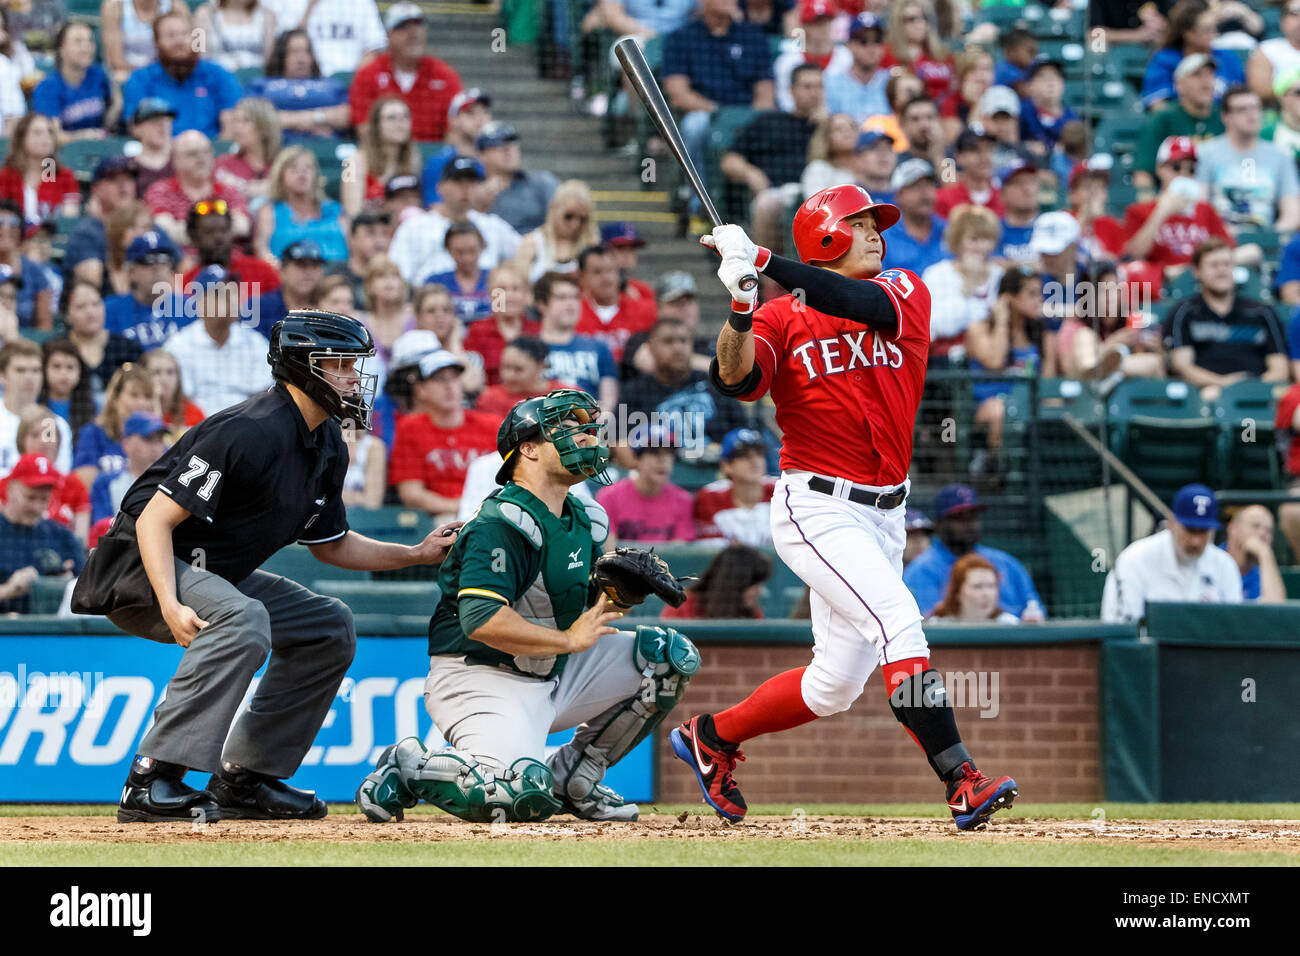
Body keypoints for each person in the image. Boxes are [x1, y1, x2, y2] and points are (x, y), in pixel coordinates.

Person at [669, 188, 1019, 829]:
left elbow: (852, 301)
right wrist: (744, 304)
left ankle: (712, 737)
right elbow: (734, 379)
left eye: (874, 224)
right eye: (858, 224)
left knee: (833, 687)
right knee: (899, 622)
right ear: (826, 235)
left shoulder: (906, 290)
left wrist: (765, 257)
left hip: (885, 514)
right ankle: (961, 781)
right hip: (816, 506)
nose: (875, 233)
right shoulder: (781, 317)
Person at [71, 310, 459, 823]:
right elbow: (152, 521)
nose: (352, 376)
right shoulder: (248, 430)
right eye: (338, 364)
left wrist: (416, 554)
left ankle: (244, 779)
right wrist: (169, 602)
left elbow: (332, 544)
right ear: (301, 368)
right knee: (243, 619)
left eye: (354, 364)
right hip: (137, 569)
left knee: (328, 625)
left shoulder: (325, 444)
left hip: (212, 574)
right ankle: (151, 778)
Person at [358, 389, 696, 823]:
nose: (587, 437)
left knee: (667, 658)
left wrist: (617, 599)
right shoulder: (500, 520)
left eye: (586, 427)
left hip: (554, 668)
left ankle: (577, 777)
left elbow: (577, 616)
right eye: (569, 429)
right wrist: (568, 639)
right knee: (518, 798)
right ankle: (408, 766)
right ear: (529, 449)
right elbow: (480, 620)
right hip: (479, 676)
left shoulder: (587, 519)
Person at [661, 0, 775, 224]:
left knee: (771, 124)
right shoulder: (680, 38)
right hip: (707, 114)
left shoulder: (752, 36)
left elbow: (765, 97)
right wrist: (722, 115)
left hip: (747, 117)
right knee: (695, 125)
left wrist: (746, 119)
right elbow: (679, 95)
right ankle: (699, 202)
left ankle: (755, 209)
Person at [721, 62, 825, 255]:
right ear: (792, 91)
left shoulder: (830, 127)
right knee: (766, 204)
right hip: (778, 194)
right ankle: (770, 283)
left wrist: (825, 127)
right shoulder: (769, 121)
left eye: (819, 86)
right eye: (807, 86)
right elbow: (729, 161)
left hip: (820, 196)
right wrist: (751, 173)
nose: (814, 93)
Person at [1101, 483, 1242, 623]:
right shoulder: (1135, 559)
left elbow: (1233, 626)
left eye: (1203, 531)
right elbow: (1120, 626)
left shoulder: (1224, 564)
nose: (1196, 541)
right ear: (1171, 523)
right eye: (1190, 530)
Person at [1168, 238, 1289, 397]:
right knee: (1210, 395)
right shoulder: (1184, 312)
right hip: (1207, 391)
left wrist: (1249, 388)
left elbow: (1280, 369)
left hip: (1259, 390)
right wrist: (1224, 384)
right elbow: (1182, 366)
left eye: (1227, 264)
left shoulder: (1263, 312)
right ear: (1197, 271)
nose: (1221, 270)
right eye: (1213, 265)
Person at [903, 484, 1044, 620]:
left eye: (973, 517)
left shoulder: (1007, 563)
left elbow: (1035, 609)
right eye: (960, 518)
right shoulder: (920, 569)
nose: (969, 524)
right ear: (940, 523)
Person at [388, 349, 499, 519]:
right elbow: (411, 494)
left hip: (492, 512)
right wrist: (465, 506)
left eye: (454, 378)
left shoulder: (492, 425)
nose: (449, 386)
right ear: (421, 389)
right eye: (439, 379)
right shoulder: (411, 427)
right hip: (440, 516)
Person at [619, 316, 751, 460]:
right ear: (651, 347)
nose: (678, 347)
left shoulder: (715, 384)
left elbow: (742, 433)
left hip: (717, 472)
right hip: (664, 475)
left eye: (683, 340)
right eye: (668, 341)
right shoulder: (635, 392)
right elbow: (620, 443)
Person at [1122, 136, 1242, 289]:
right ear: (1160, 168)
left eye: (1191, 169)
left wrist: (1191, 270)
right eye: (1176, 167)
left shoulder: (1205, 210)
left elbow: (1227, 252)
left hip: (1202, 285)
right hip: (1161, 288)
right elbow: (1133, 255)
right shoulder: (1138, 210)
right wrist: (1162, 211)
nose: (1184, 174)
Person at [965, 267, 1054, 469]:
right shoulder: (979, 329)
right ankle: (997, 470)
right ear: (1010, 297)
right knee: (1001, 410)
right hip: (988, 408)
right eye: (1031, 294)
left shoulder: (1041, 333)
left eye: (1040, 293)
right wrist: (1003, 320)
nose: (1038, 300)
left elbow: (1049, 382)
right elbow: (995, 361)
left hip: (1030, 404)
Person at [388, 157, 521, 287]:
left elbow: (526, 254)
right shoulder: (415, 227)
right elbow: (398, 276)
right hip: (433, 302)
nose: (466, 189)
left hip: (486, 303)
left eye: (471, 182)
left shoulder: (492, 225)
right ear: (440, 187)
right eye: (458, 182)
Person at [163, 265, 274, 414]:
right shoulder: (179, 345)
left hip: (245, 425)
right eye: (219, 293)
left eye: (232, 292)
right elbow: (178, 403)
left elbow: (265, 396)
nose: (229, 299)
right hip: (197, 429)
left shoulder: (254, 343)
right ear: (200, 303)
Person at [122, 8, 243, 142]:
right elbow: (137, 127)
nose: (179, 41)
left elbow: (232, 126)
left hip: (210, 154)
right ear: (156, 43)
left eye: (185, 34)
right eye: (171, 35)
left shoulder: (218, 74)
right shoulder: (140, 79)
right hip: (161, 155)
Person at [348, 2, 462, 143]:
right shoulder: (369, 74)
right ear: (388, 35)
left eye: (418, 24)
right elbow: (364, 129)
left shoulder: (445, 75)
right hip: (384, 156)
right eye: (403, 26)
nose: (414, 33)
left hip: (432, 157)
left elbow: (455, 131)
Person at [1195, 86, 1300, 234]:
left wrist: (1269, 237)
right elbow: (1199, 206)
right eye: (1242, 109)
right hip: (1218, 242)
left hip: (1267, 244)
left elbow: (1293, 215)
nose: (1252, 115)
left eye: (1256, 108)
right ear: (1225, 116)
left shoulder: (1281, 156)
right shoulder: (1205, 152)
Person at [0, 453, 84, 612]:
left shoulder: (63, 537)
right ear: (10, 489)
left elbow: (89, 595)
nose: (38, 507)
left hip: (51, 632)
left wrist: (66, 587)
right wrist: (8, 589)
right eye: (30, 498)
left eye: (44, 499)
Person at [922, 203, 1003, 364]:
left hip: (992, 352)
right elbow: (940, 326)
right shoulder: (937, 274)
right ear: (957, 240)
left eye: (987, 239)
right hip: (945, 362)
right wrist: (970, 286)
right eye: (974, 239)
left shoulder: (999, 275)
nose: (981, 247)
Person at [1056, 261, 1164, 381]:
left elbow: (1154, 364)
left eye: (1115, 288)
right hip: (1085, 386)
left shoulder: (1131, 321)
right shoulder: (1074, 325)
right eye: (1103, 290)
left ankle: (1107, 373)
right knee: (1085, 336)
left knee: (1153, 361)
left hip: (1123, 386)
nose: (1110, 295)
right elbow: (1070, 371)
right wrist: (1112, 342)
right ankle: (1104, 373)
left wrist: (1150, 347)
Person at [1134, 53, 1225, 195]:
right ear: (1179, 84)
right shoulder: (1161, 119)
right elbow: (1143, 173)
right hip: (1173, 200)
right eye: (1197, 76)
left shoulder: (1225, 117)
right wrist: (1148, 206)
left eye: (1210, 75)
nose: (1206, 83)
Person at [146, 132, 251, 249]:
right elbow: (165, 230)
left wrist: (190, 230)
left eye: (206, 152)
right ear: (175, 160)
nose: (201, 159)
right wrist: (219, 230)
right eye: (192, 154)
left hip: (227, 259)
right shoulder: (161, 190)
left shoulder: (229, 190)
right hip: (181, 262)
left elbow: (242, 226)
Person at [1, 405, 91, 541]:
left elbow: (81, 541)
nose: (44, 441)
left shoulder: (74, 485)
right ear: (21, 441)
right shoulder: (5, 485)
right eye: (35, 435)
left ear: (59, 442)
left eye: (49, 434)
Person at [244, 29, 350, 143]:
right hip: (276, 145)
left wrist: (301, 119)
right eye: (294, 52)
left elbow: (347, 115)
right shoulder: (261, 84)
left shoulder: (331, 85)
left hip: (325, 145)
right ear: (282, 56)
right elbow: (253, 117)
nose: (301, 59)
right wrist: (315, 121)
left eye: (307, 52)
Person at [536, 271, 617, 412]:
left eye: (575, 297)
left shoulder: (599, 348)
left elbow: (608, 403)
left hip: (588, 425)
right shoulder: (528, 348)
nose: (570, 303)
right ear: (542, 304)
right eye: (562, 298)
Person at [1143, 0, 1246, 110]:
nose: (1213, 34)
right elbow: (1157, 104)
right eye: (1206, 30)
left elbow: (1242, 98)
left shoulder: (1227, 57)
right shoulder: (1165, 59)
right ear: (1188, 33)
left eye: (1214, 28)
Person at [32, 20, 119, 146]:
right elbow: (52, 136)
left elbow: (113, 114)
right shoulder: (47, 87)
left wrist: (116, 101)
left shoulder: (99, 75)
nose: (86, 48)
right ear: (62, 49)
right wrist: (84, 136)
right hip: (63, 156)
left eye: (90, 41)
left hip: (98, 149)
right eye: (78, 42)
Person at [255, 146, 348, 263]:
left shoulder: (336, 210)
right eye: (293, 168)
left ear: (316, 175)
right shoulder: (270, 212)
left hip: (336, 275)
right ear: (280, 175)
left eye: (308, 168)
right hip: (286, 276)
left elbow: (353, 246)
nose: (302, 173)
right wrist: (277, 267)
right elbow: (262, 250)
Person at [595, 433, 695, 542]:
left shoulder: (683, 500)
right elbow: (607, 549)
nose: (663, 460)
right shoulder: (610, 497)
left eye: (668, 453)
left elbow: (680, 553)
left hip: (666, 560)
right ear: (637, 459)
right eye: (654, 453)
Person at [72, 363, 157, 491]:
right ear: (116, 398)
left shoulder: (158, 440)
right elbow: (85, 486)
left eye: (148, 396)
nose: (142, 403)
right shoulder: (93, 433)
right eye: (134, 395)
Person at [63, 157, 140, 295]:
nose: (123, 185)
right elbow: (90, 293)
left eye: (128, 178)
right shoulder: (87, 234)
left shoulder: (149, 227)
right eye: (113, 179)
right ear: (96, 189)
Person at [64, 281, 145, 406]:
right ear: (67, 315)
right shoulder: (58, 350)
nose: (90, 312)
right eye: (81, 307)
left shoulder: (127, 347)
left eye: (96, 304)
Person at [0, 340, 75, 476]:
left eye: (36, 370)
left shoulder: (56, 425)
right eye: (20, 370)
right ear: (2, 375)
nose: (29, 377)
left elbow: (60, 478)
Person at [180, 199, 280, 298]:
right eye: (208, 232)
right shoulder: (188, 282)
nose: (218, 238)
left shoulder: (262, 271)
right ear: (193, 238)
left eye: (224, 230)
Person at [104, 229, 186, 349]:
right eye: (148, 261)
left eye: (163, 259)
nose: (157, 267)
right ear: (131, 272)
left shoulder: (188, 308)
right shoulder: (110, 310)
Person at [261, 0, 386, 79]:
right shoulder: (289, 3)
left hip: (348, 81)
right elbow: (286, 45)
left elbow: (374, 49)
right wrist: (310, 8)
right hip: (304, 79)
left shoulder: (361, 3)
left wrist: (349, 80)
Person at [693, 427, 775, 546]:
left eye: (759, 454)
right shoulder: (710, 498)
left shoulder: (781, 491)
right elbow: (709, 552)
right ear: (726, 465)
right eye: (744, 456)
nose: (754, 461)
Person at [574, 244, 656, 364]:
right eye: (597, 272)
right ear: (582, 277)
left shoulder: (646, 310)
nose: (606, 278)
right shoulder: (572, 313)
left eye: (611, 270)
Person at [475, 122, 558, 235]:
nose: (508, 149)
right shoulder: (473, 191)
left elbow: (567, 214)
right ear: (482, 155)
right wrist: (479, 207)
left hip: (539, 247)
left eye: (512, 143)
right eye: (498, 144)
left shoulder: (541, 182)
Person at [342, 96, 420, 218]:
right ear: (376, 125)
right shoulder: (352, 162)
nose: (400, 123)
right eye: (391, 118)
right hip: (369, 228)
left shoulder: (413, 158)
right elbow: (352, 211)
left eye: (405, 117)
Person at [462, 265, 539, 385]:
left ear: (526, 294)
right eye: (501, 289)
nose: (509, 296)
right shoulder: (477, 330)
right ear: (490, 294)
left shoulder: (538, 330)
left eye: (516, 289)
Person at [0, 112, 82, 224]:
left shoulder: (64, 176)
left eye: (50, 132)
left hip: (50, 239)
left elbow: (68, 222)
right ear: (22, 138)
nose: (46, 137)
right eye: (37, 133)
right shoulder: (7, 175)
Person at [513, 180, 600, 284]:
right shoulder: (531, 243)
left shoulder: (591, 246)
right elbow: (519, 286)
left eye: (582, 219)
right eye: (568, 216)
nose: (575, 224)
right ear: (554, 208)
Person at [89, 412, 170, 523]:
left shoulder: (171, 484)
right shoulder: (105, 482)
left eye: (159, 440)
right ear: (126, 443)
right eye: (148, 439)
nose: (155, 447)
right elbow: (101, 527)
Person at [420, 88, 492, 207]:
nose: (480, 118)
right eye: (470, 112)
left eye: (485, 111)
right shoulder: (439, 162)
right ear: (453, 120)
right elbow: (434, 208)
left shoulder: (496, 158)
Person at [662, 543, 772, 619]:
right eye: (753, 584)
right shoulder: (684, 606)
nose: (758, 591)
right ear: (736, 584)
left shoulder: (753, 614)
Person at [475, 337, 568, 420]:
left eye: (518, 369)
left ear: (540, 366)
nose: (509, 375)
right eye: (505, 367)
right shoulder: (490, 398)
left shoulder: (564, 396)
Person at [880, 0, 955, 102]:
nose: (919, 23)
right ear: (898, 23)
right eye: (911, 19)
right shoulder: (886, 54)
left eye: (924, 18)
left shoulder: (943, 55)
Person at [822, 13, 889, 124]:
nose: (871, 48)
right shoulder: (831, 83)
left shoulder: (891, 82)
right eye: (863, 41)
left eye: (877, 41)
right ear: (849, 45)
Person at [883, 158, 945, 276]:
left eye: (929, 185)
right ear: (898, 195)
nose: (924, 193)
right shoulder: (884, 240)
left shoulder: (951, 232)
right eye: (915, 187)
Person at [102, 0, 186, 84]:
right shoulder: (114, 5)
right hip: (128, 71)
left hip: (164, 70)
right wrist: (146, 74)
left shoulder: (175, 5)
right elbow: (116, 61)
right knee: (121, 75)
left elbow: (185, 49)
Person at [213, 97, 279, 204]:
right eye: (235, 121)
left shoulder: (282, 165)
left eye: (245, 121)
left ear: (264, 127)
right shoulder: (223, 164)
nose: (237, 127)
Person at [422, 223, 491, 324]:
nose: (467, 258)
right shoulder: (436, 283)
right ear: (449, 250)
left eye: (472, 250)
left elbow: (502, 315)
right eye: (459, 252)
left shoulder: (497, 282)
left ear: (482, 247)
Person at [253, 239, 323, 337]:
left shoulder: (330, 306)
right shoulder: (257, 307)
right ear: (282, 271)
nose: (309, 272)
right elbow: (246, 345)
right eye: (301, 265)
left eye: (315, 266)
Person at [928, 553, 1020, 624]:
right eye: (977, 586)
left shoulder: (1011, 624)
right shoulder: (937, 625)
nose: (986, 594)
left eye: (991, 586)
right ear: (957, 592)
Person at [0, 201, 50, 331]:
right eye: (0, 222)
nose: (6, 228)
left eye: (13, 223)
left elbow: (44, 325)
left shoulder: (35, 271)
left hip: (24, 347)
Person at [1015, 58, 1078, 159]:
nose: (1051, 82)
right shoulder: (1019, 112)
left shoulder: (1073, 118)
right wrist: (1025, 146)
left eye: (1056, 76)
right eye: (1043, 77)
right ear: (1029, 85)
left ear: (1063, 84)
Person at [1222, 504, 1286, 603]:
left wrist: (1265, 554)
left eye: (1269, 531)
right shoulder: (1213, 560)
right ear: (1233, 530)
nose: (1263, 534)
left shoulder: (1263, 571)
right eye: (1255, 526)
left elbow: (1275, 611)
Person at [935, 129, 1003, 219]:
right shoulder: (944, 199)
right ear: (959, 157)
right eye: (975, 150)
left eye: (989, 149)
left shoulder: (1005, 198)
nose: (984, 157)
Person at [192, 0, 276, 73]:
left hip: (256, 81)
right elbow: (198, 54)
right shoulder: (203, 14)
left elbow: (270, 60)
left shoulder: (267, 16)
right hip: (218, 79)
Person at [143, 347, 205, 439]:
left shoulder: (194, 413)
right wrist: (155, 401)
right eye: (156, 372)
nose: (164, 379)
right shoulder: (138, 409)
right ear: (144, 376)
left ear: (178, 377)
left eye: (170, 372)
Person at [1246, 1, 1300, 107]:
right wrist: (1290, 86)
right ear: (1282, 21)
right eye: (1294, 14)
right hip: (1278, 113)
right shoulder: (1267, 49)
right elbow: (1259, 91)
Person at [39, 341, 96, 439]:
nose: (64, 373)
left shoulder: (95, 407)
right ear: (44, 369)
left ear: (80, 372)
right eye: (56, 366)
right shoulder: (34, 404)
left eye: (70, 367)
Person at [939, 47, 994, 146]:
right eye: (973, 69)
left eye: (987, 69)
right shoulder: (951, 102)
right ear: (962, 75)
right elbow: (959, 144)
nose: (981, 75)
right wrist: (975, 106)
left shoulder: (1000, 98)